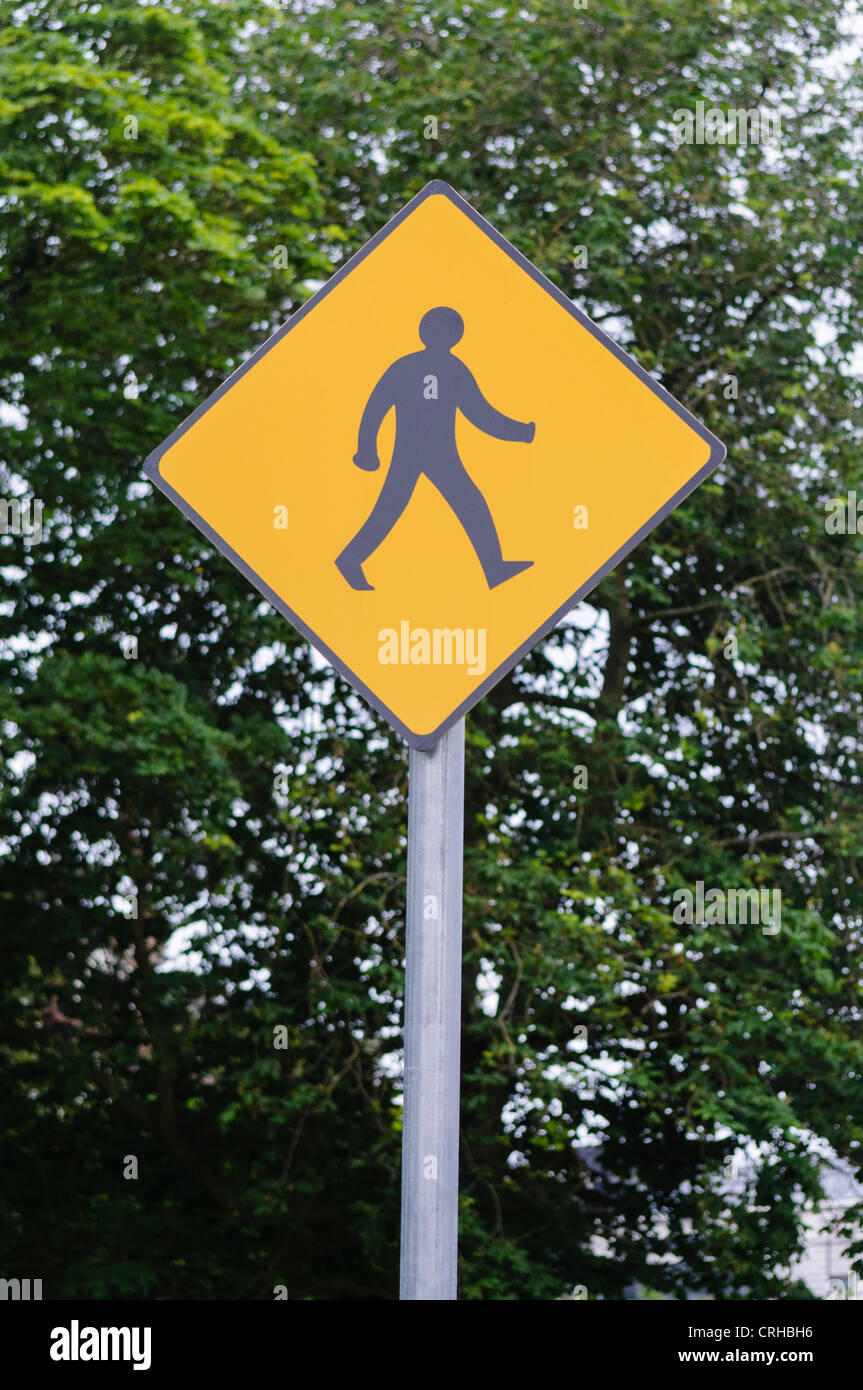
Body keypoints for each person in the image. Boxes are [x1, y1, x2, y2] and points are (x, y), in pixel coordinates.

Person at [336, 307, 535, 591]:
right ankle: (349, 559)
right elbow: (377, 407)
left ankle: (495, 568)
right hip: (427, 452)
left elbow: (479, 413)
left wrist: (367, 451)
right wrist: (366, 450)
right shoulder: (447, 369)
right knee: (409, 507)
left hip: (430, 452)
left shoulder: (416, 366)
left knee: (456, 504)